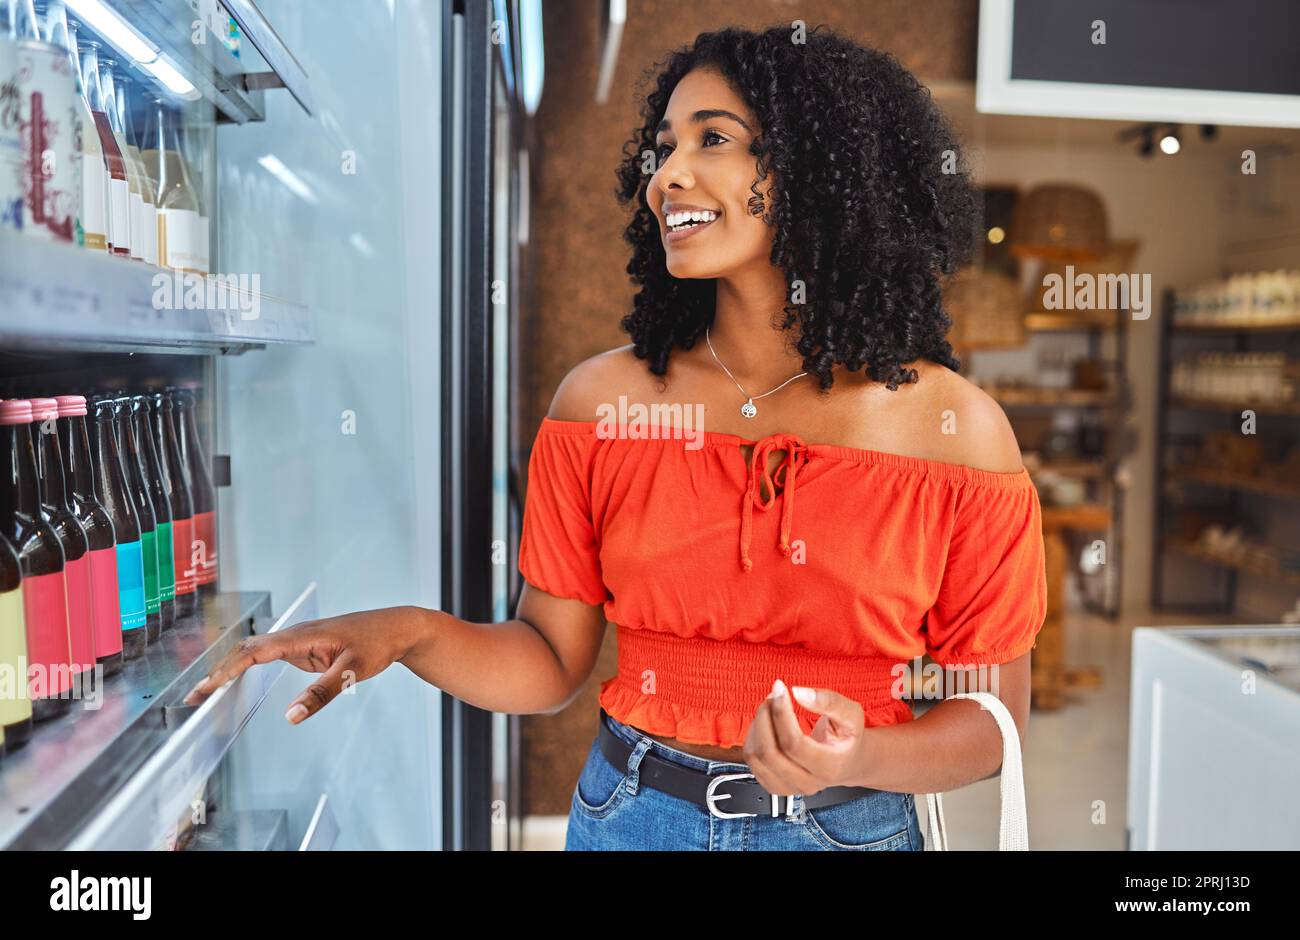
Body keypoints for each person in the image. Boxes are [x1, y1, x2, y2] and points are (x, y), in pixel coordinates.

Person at [185, 23, 1047, 851]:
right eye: (663, 147)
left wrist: (861, 754)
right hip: (630, 818)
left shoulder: (957, 434)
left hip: (849, 829)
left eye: (713, 140)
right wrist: (411, 633)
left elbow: (991, 723)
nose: (667, 175)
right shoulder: (601, 403)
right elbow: (548, 662)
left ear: (819, 171)